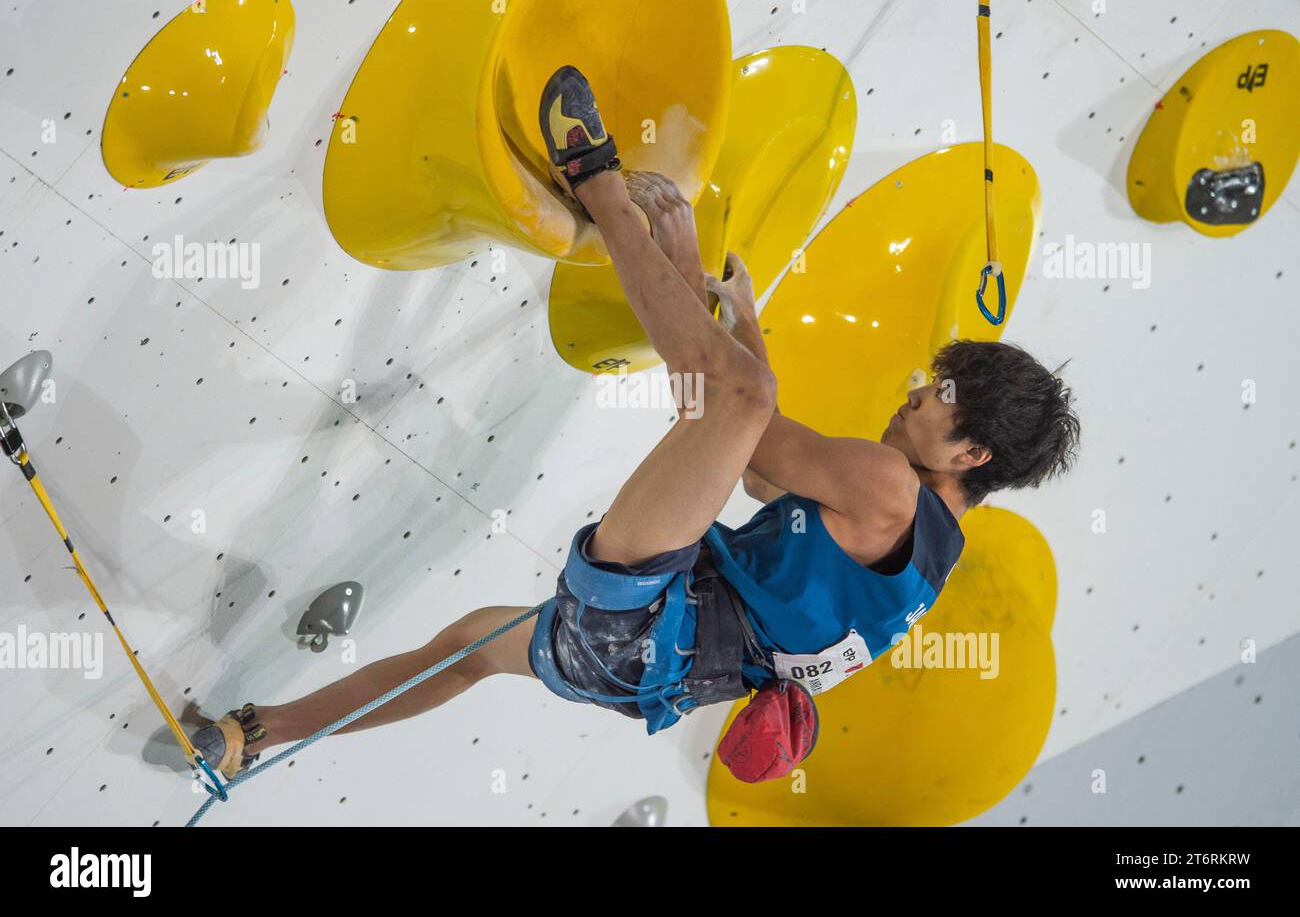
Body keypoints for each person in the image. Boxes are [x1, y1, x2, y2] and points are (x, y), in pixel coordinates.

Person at [193, 67, 1081, 779]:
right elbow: (744, 465)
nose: (918, 392)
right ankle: (249, 735)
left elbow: (736, 409)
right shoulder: (922, 568)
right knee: (464, 650)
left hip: (653, 625)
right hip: (635, 670)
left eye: (942, 394)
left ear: (972, 451)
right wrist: (733, 310)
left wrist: (689, 263)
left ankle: (598, 184)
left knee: (743, 398)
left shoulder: (889, 488)